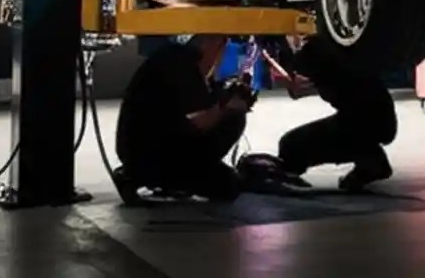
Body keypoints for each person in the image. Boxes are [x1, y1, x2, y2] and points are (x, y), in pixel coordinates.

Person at [113, 34, 251, 204]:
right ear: (214, 43)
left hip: (142, 151)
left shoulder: (174, 60)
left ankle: (139, 175)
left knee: (227, 182)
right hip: (156, 157)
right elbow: (197, 121)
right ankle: (154, 177)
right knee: (233, 122)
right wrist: (227, 108)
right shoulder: (182, 66)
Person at [263, 36, 396, 192]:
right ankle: (369, 159)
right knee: (293, 144)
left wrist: (295, 80)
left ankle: (371, 160)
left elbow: (308, 79)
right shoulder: (333, 56)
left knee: (291, 145)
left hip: (367, 122)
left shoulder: (321, 57)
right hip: (374, 118)